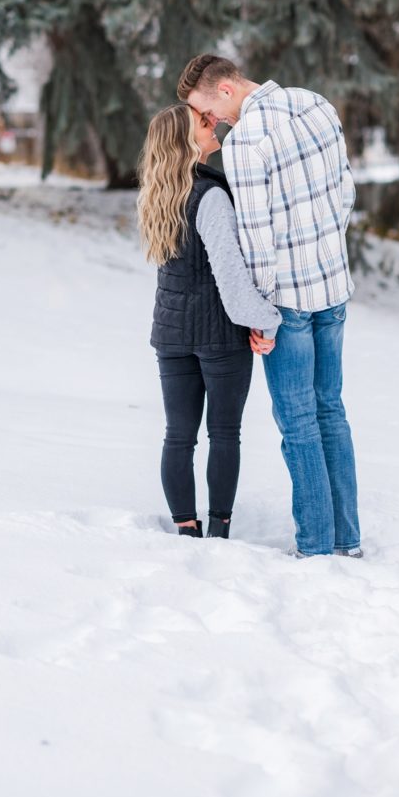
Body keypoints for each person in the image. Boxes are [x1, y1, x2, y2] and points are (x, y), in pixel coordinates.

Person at [177, 55, 362, 559]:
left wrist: (262, 317)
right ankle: (347, 540)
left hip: (288, 302)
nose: (209, 124)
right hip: (333, 285)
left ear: (226, 88)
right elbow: (345, 191)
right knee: (332, 411)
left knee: (299, 421)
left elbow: (257, 240)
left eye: (205, 110)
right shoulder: (315, 104)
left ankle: (317, 547)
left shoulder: (244, 143)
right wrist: (326, 245)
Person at [137, 104, 280, 539]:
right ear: (186, 140)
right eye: (203, 122)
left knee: (178, 436)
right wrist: (266, 322)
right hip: (219, 335)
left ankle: (185, 526)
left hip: (172, 334)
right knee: (224, 433)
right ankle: (218, 529)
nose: (213, 122)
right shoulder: (211, 196)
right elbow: (231, 278)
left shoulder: (155, 194)